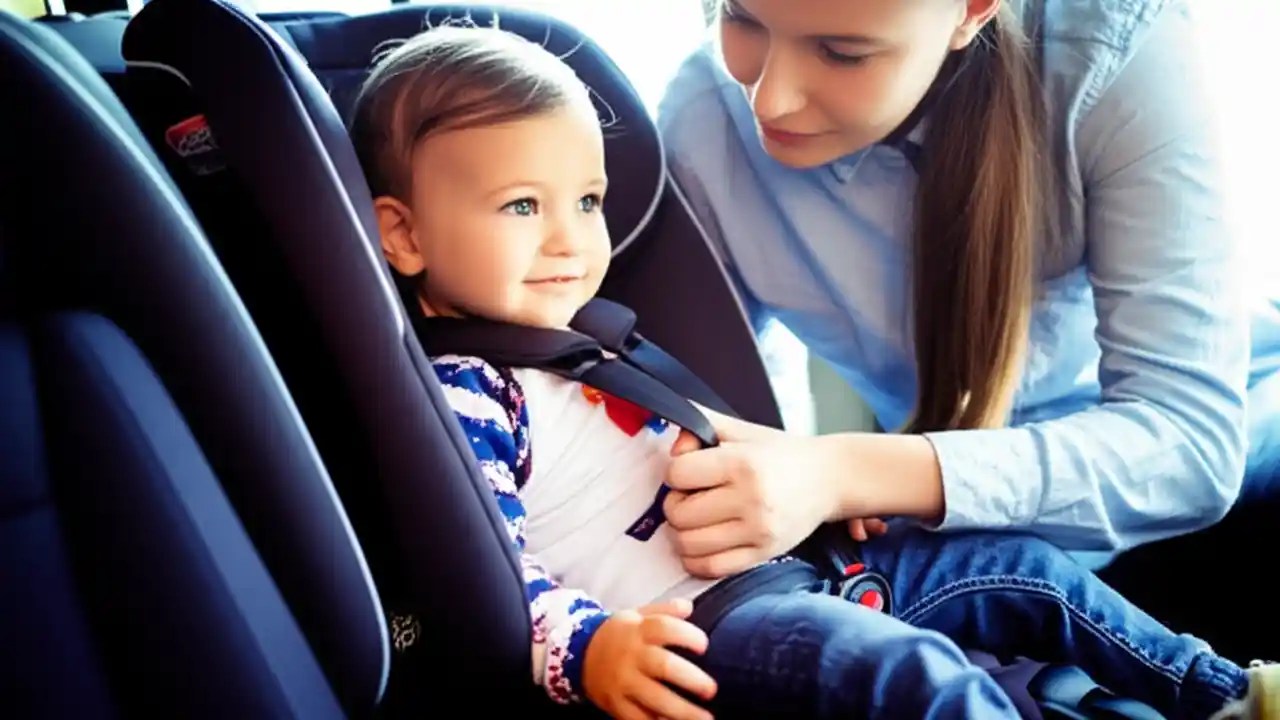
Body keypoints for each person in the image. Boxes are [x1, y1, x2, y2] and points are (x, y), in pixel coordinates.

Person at [346, 23, 1278, 720]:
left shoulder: (602, 345)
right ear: (404, 232)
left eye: (587, 201)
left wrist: (824, 480)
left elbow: (1188, 448)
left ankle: (1226, 695)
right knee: (909, 681)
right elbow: (493, 571)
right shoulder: (474, 392)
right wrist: (587, 650)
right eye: (520, 205)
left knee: (1026, 572)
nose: (571, 240)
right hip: (708, 619)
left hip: (812, 557)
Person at [654, 0, 1280, 662]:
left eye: (843, 52)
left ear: (973, 10)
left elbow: (1190, 447)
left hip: (1239, 484)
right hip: (980, 537)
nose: (769, 100)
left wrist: (846, 471)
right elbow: (714, 425)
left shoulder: (1115, 50)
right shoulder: (699, 120)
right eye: (741, 17)